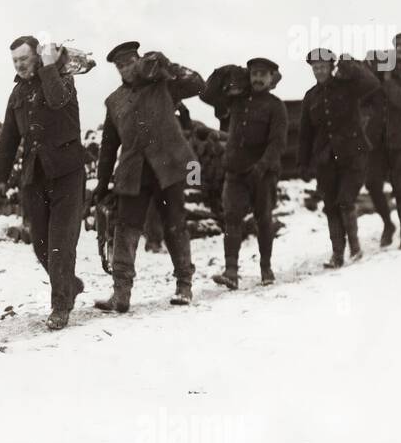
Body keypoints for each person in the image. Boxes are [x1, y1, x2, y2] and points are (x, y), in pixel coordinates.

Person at [92, 41, 204, 312]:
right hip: (133, 173)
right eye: (120, 66)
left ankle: (184, 285)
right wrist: (102, 182)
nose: (126, 69)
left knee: (174, 225)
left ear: (139, 61)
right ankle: (121, 294)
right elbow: (108, 147)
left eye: (130, 62)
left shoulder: (163, 84)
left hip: (169, 168)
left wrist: (167, 65)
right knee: (125, 228)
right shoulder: (115, 101)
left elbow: (198, 84)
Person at [0, 35, 85, 330]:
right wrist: (0, 178)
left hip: (67, 174)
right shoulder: (17, 95)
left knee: (60, 243)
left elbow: (57, 100)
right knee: (40, 244)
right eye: (15, 61)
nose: (19, 65)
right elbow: (8, 139)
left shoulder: (63, 81)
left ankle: (61, 306)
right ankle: (68, 283)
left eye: (24, 59)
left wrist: (49, 67)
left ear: (38, 57)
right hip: (36, 176)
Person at [201, 58, 288, 289]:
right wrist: (223, 70)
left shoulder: (276, 106)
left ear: (271, 78)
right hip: (235, 171)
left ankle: (266, 268)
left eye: (263, 74)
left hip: (263, 173)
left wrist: (262, 167)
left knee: (264, 219)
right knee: (232, 219)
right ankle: (231, 271)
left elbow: (277, 143)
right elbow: (206, 94)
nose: (258, 78)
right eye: (254, 74)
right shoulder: (235, 101)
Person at [297, 48, 380, 268]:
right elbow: (305, 134)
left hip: (353, 155)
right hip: (326, 160)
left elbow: (372, 84)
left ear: (331, 67)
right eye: (315, 68)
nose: (319, 71)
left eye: (323, 67)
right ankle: (337, 254)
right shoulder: (310, 97)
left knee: (345, 201)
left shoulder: (349, 86)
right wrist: (303, 163)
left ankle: (355, 248)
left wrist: (353, 66)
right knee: (331, 206)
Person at [362, 33, 401, 249]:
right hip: (377, 140)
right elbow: (364, 83)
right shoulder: (379, 69)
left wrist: (387, 78)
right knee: (372, 183)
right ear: (394, 49)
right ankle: (388, 224)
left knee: (399, 188)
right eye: (400, 48)